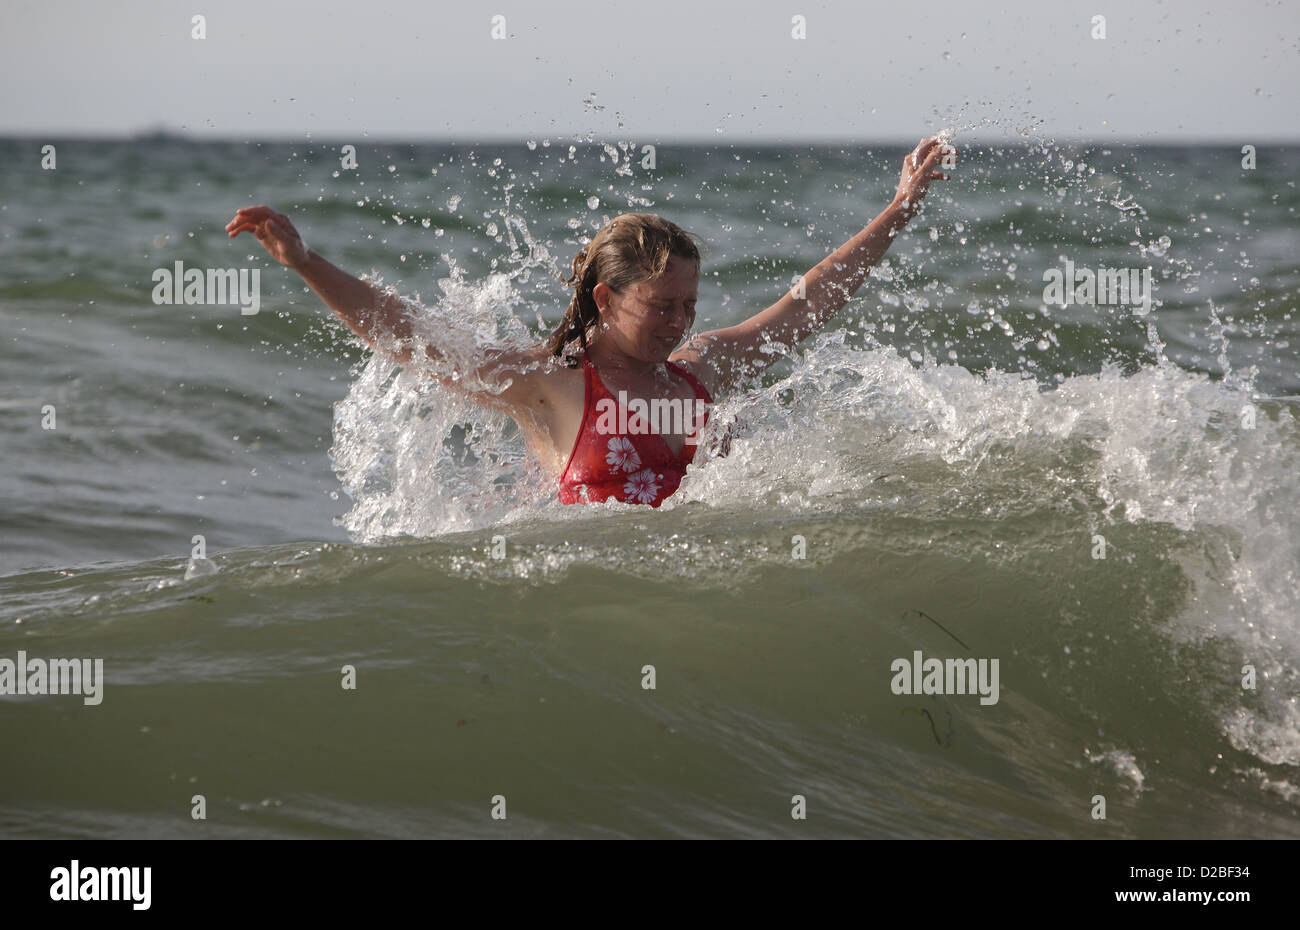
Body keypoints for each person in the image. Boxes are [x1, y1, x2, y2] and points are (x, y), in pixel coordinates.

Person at [225, 135, 954, 507]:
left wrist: (901, 209)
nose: (678, 323)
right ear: (606, 300)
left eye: (689, 306)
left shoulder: (700, 372)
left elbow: (808, 301)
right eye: (661, 306)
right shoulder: (551, 386)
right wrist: (305, 262)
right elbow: (408, 335)